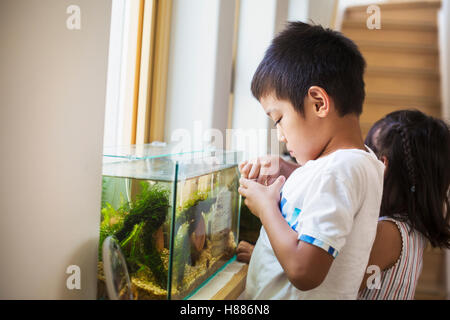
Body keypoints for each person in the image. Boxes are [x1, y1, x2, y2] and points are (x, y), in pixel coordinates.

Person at [237, 21, 385, 299]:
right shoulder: (358, 163)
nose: (280, 136)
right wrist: (287, 170)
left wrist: (266, 207)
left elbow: (305, 271)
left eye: (279, 119)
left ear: (318, 102)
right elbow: (321, 197)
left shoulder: (341, 171)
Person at [358, 110, 450, 299]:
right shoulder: (409, 229)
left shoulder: (388, 233)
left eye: (367, 151)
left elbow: (338, 287)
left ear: (383, 166)